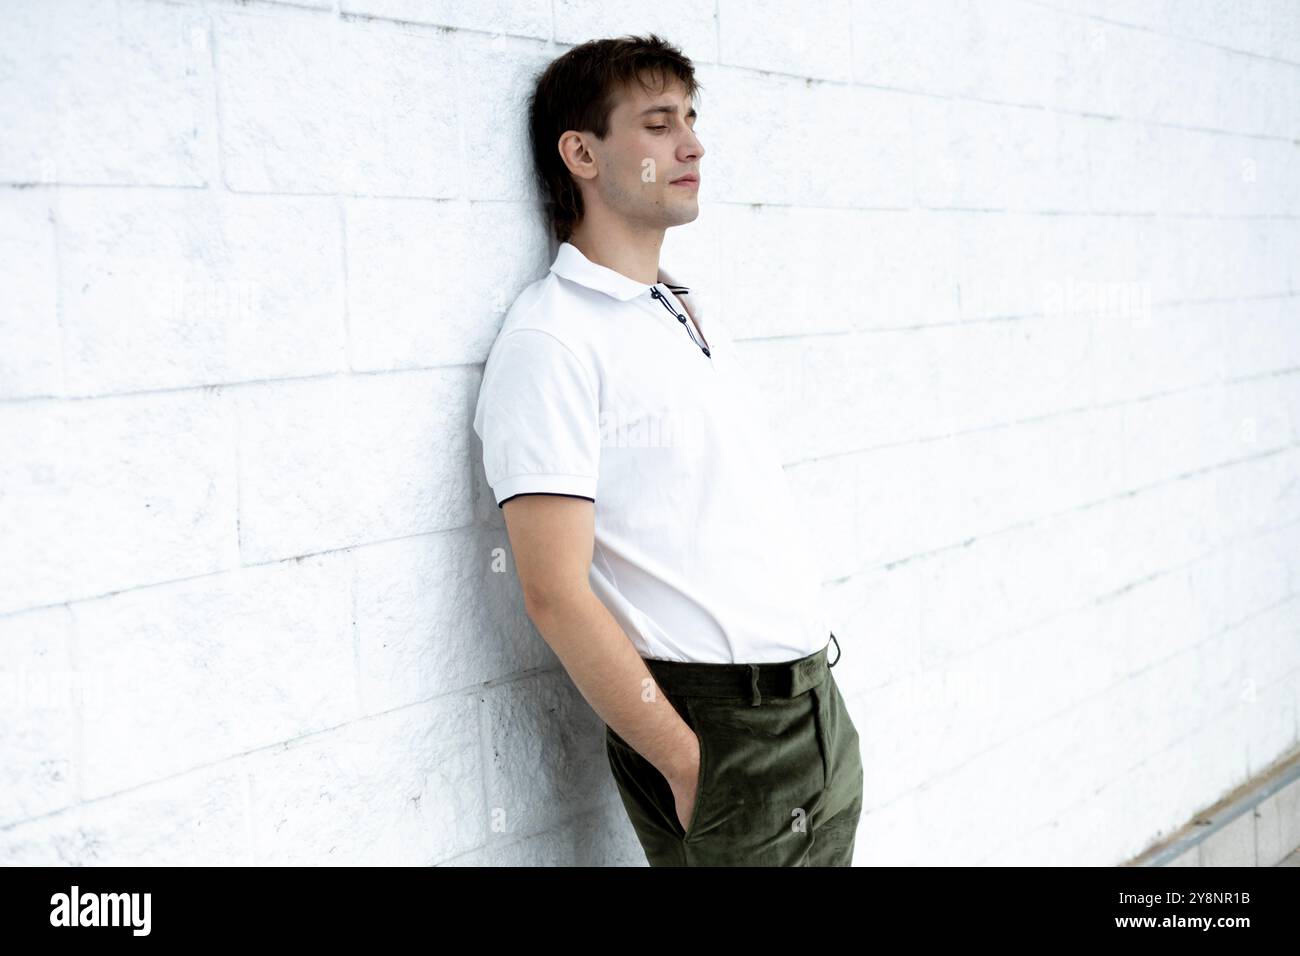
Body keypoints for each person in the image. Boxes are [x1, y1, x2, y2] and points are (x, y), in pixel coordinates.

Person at [472, 33, 863, 866]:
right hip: (722, 733)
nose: (692, 144)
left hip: (811, 707)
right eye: (657, 124)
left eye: (690, 118)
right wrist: (687, 763)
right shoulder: (553, 338)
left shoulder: (682, 312)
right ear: (581, 153)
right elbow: (553, 592)